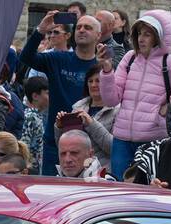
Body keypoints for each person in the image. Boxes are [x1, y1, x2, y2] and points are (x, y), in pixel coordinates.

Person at [20, 10, 102, 175]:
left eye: (88, 27)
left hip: (89, 144)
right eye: (78, 27)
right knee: (50, 191)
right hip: (55, 141)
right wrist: (41, 30)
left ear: (98, 35)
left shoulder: (102, 68)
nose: (82, 30)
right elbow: (26, 58)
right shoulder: (58, 59)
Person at [63, 65, 117, 169]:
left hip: (103, 172)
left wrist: (91, 124)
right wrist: (60, 126)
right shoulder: (77, 107)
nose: (93, 85)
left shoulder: (118, 110)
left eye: (98, 81)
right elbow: (66, 145)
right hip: (77, 170)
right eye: (90, 81)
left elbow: (114, 148)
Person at [22, 75, 48, 174]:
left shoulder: (38, 116)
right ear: (35, 96)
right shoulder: (30, 117)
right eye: (47, 93)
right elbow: (24, 146)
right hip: (30, 172)